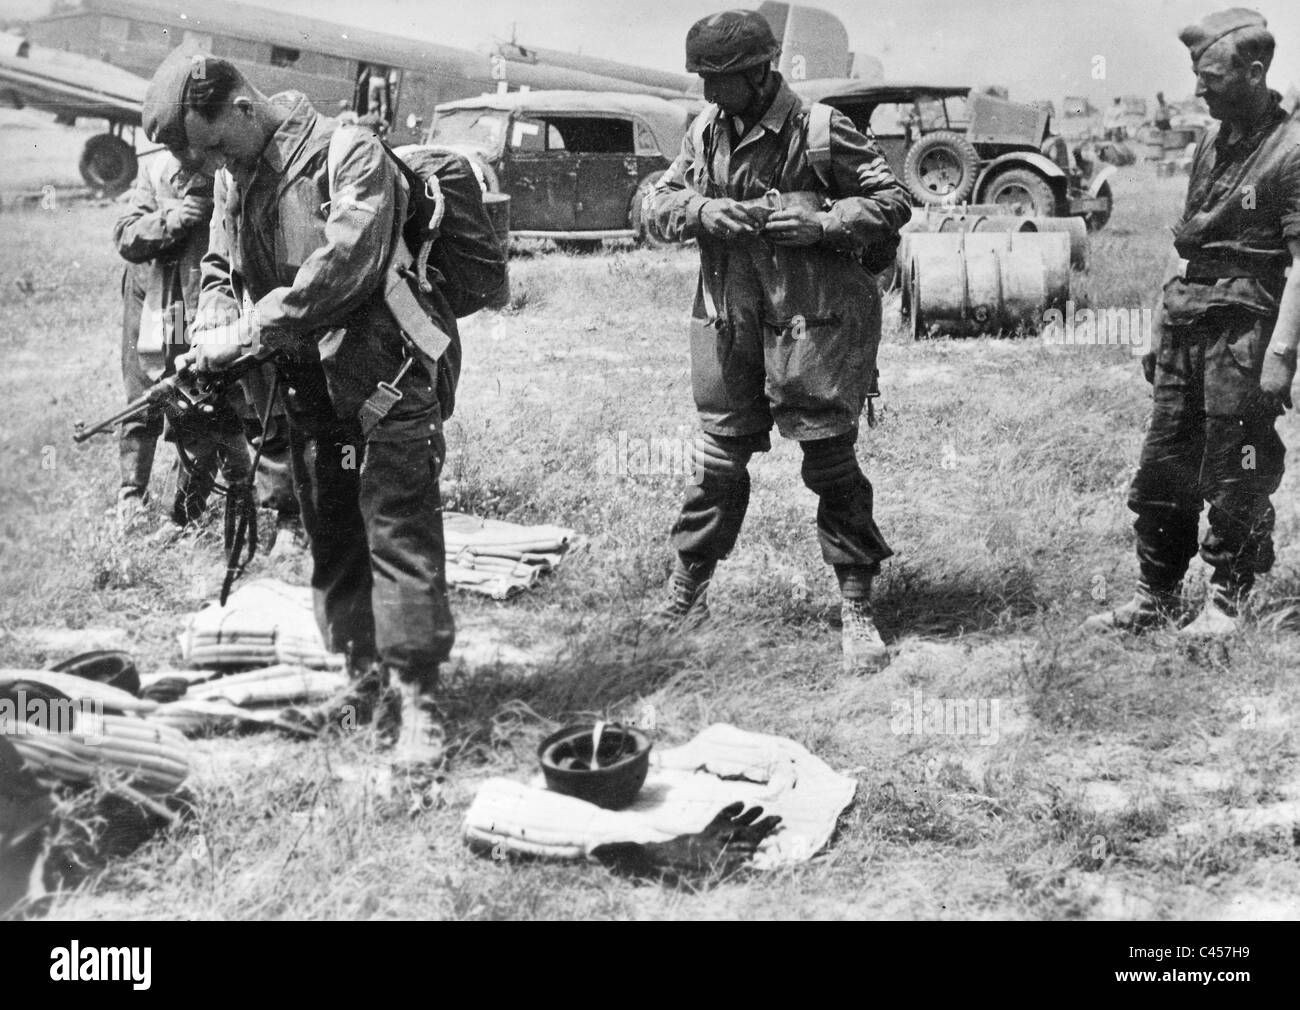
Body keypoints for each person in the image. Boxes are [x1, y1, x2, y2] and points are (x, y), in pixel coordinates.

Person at [141, 50, 457, 762]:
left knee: (398, 535)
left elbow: (344, 266)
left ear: (245, 108)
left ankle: (419, 703)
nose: (216, 164)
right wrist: (214, 326)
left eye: (218, 143)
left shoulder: (351, 153)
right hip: (309, 385)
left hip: (385, 379)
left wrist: (252, 329)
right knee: (335, 534)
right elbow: (220, 267)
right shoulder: (235, 177)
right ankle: (361, 677)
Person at [643, 9, 912, 672]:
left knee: (829, 463)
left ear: (761, 72)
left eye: (722, 79)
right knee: (718, 464)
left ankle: (855, 604)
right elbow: (653, 203)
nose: (709, 92)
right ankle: (688, 593)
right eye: (703, 78)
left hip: (811, 324)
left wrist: (824, 220)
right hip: (728, 322)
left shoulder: (821, 129)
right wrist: (702, 209)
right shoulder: (704, 130)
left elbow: (894, 200)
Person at [1086, 9, 1300, 636]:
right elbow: (1185, 247)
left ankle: (1226, 602)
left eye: (1212, 77)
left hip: (1245, 332)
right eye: (1196, 76)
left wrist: (1281, 356)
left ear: (1256, 73)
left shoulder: (1292, 152)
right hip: (1187, 320)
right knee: (1164, 462)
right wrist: (1157, 323)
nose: (1199, 90)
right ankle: (1155, 595)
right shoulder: (1210, 139)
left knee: (1237, 468)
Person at [112, 151, 252, 531]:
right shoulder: (154, 168)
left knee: (198, 401)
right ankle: (131, 494)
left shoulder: (225, 170)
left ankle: (188, 508)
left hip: (197, 308)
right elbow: (126, 235)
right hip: (153, 304)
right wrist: (175, 217)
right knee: (144, 396)